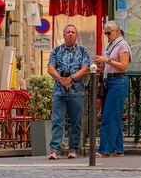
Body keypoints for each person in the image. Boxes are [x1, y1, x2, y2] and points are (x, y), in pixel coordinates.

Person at [46, 24, 92, 160]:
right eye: (68, 32)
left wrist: (71, 79)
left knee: (76, 122)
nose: (70, 34)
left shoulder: (83, 51)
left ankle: (73, 149)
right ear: (64, 34)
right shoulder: (56, 51)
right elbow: (50, 68)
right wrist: (61, 80)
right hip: (59, 92)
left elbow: (85, 69)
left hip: (76, 92)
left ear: (76, 35)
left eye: (73, 32)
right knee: (57, 121)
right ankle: (55, 149)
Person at [93, 20, 131, 158]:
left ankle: (105, 149)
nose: (107, 36)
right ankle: (117, 149)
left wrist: (106, 60)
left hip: (118, 81)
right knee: (114, 116)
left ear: (117, 31)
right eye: (105, 34)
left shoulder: (122, 45)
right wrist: (102, 64)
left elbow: (124, 66)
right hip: (109, 81)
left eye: (108, 33)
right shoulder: (110, 45)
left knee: (109, 117)